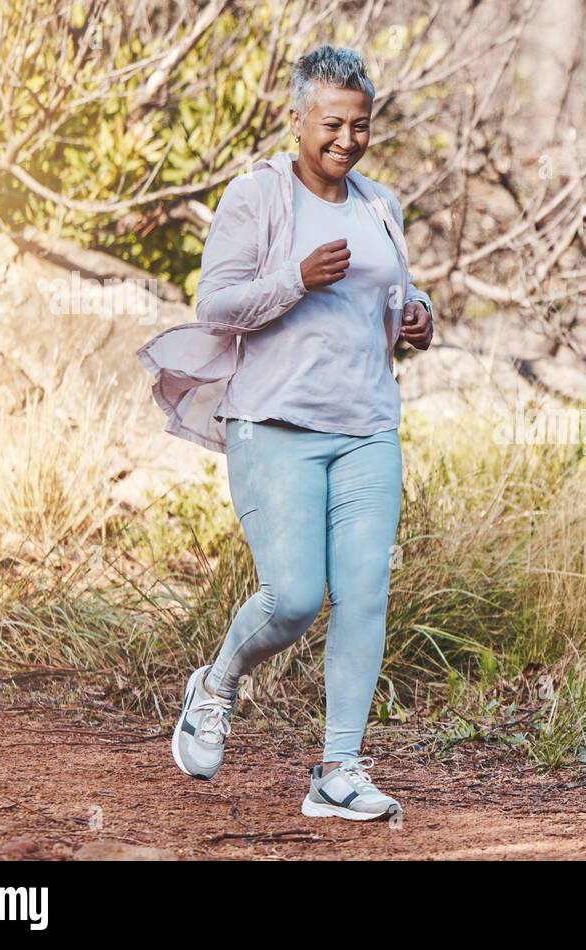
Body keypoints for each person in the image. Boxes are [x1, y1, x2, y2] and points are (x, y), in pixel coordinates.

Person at [135, 44, 434, 821]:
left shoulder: (379, 204)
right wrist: (296, 279)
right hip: (275, 425)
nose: (347, 140)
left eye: (361, 125)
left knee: (365, 593)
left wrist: (417, 315)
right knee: (296, 598)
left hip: (367, 425)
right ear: (296, 118)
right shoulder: (256, 196)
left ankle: (339, 770)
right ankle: (217, 683)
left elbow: (391, 290)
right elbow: (217, 306)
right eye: (332, 123)